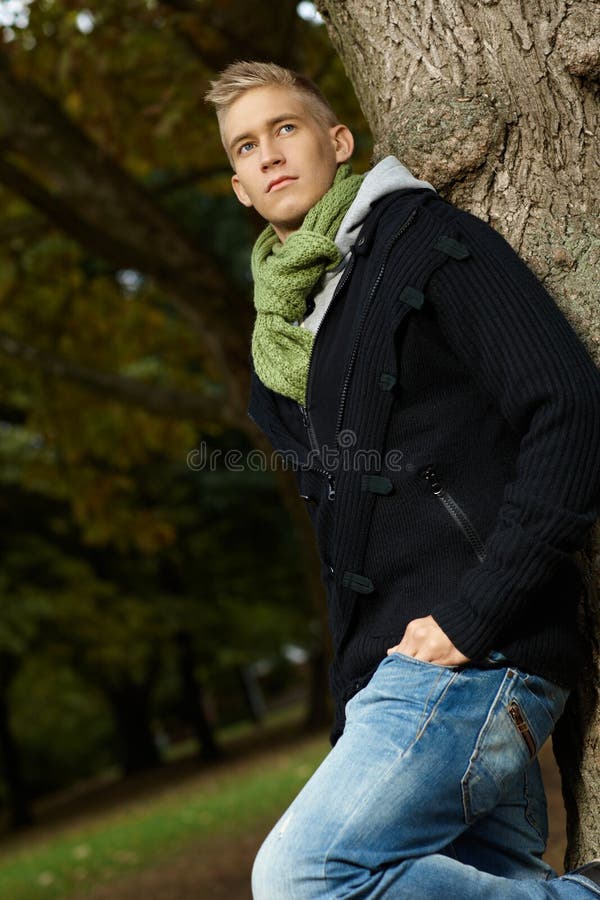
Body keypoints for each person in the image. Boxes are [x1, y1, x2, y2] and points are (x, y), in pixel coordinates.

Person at [205, 61, 600, 898]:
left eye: (286, 128)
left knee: (303, 878)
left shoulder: (423, 245)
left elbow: (568, 408)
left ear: (337, 142)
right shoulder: (279, 337)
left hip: (475, 649)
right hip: (388, 676)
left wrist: (473, 613)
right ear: (238, 186)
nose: (269, 154)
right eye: (246, 145)